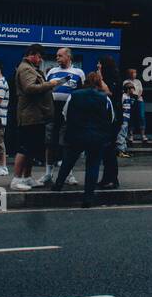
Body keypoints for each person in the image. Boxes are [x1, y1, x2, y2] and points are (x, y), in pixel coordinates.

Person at [53, 71, 114, 206]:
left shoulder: (74, 96)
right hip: (97, 137)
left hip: (76, 134)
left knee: (68, 162)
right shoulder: (105, 98)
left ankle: (58, 186)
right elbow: (111, 117)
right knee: (93, 166)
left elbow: (65, 114)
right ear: (99, 83)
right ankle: (88, 198)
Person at [11, 44, 63, 191]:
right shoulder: (25, 68)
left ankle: (27, 177)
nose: (40, 60)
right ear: (32, 54)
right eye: (39, 57)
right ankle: (16, 179)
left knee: (32, 149)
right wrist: (50, 84)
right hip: (29, 115)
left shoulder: (31, 68)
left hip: (36, 115)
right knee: (25, 148)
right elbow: (29, 88)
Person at [43, 48, 87, 185]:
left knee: (67, 144)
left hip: (69, 113)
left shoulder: (79, 73)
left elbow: (82, 93)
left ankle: (69, 174)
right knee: (50, 143)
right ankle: (48, 174)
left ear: (68, 57)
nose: (57, 58)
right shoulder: (51, 72)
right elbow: (45, 89)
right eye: (56, 56)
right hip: (52, 111)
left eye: (60, 56)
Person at [96, 55, 125, 190]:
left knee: (109, 149)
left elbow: (108, 92)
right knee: (106, 150)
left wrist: (100, 78)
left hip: (113, 118)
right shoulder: (112, 78)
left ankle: (113, 179)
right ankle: (107, 178)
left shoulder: (113, 80)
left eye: (100, 64)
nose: (98, 66)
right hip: (107, 117)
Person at [124, 67, 147, 145]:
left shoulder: (138, 81)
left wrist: (137, 97)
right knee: (131, 117)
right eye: (134, 73)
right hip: (130, 101)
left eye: (136, 73)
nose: (135, 74)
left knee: (141, 116)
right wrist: (133, 97)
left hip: (139, 101)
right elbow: (127, 91)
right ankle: (131, 135)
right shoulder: (126, 81)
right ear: (130, 74)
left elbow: (140, 90)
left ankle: (143, 135)